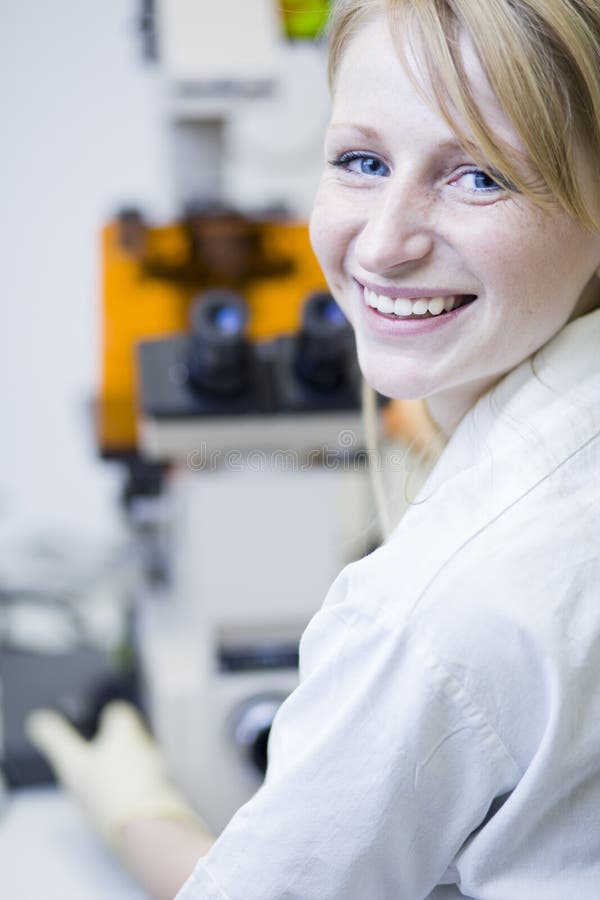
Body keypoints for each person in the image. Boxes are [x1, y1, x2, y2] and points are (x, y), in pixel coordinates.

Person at [28, 0, 600, 897]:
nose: (381, 245)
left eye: (480, 177)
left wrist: (137, 814)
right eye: (361, 161)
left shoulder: (432, 612)